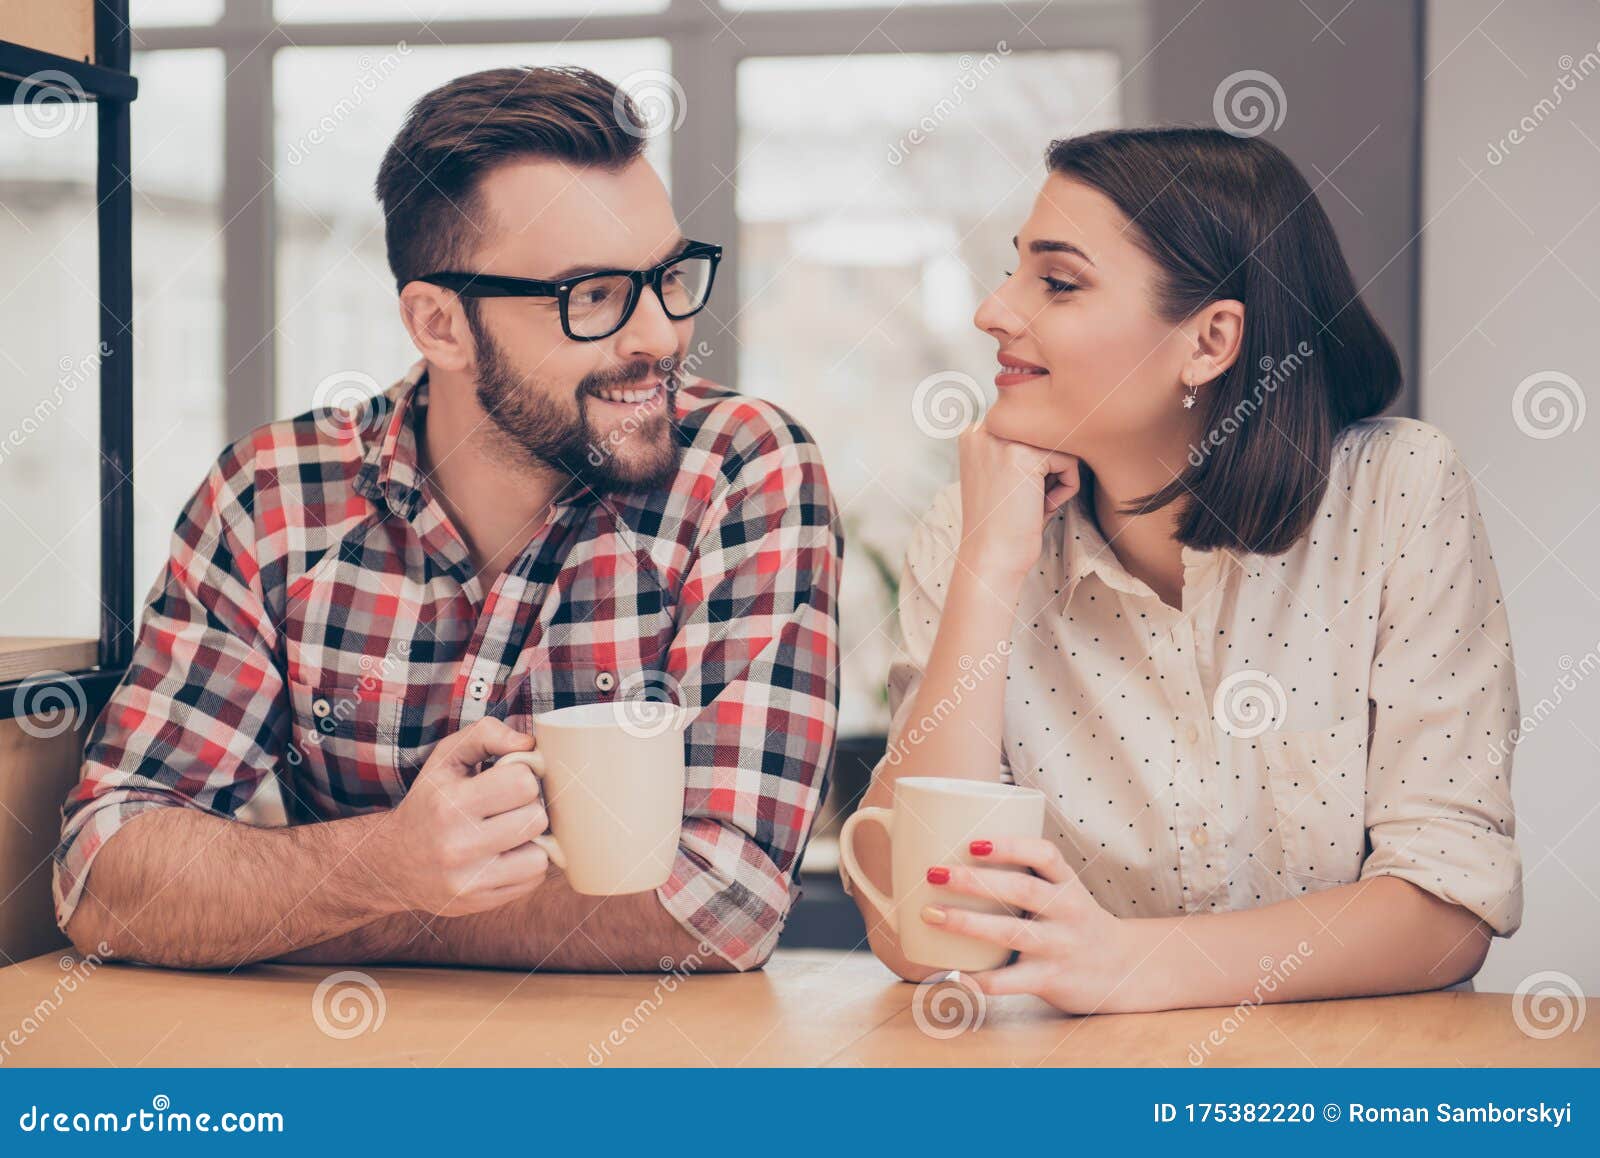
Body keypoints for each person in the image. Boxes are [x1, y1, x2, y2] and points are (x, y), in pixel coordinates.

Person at [57, 66, 840, 974]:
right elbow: (106, 878)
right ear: (440, 325)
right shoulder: (273, 498)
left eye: (670, 276)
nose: (662, 335)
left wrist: (332, 890)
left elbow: (721, 906)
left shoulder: (743, 471)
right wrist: (387, 864)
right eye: (592, 296)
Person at [848, 127, 1520, 1012]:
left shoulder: (1398, 493)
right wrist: (986, 570)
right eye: (1016, 271)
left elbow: (1447, 907)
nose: (993, 312)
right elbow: (924, 932)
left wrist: (1131, 965)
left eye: (1057, 282)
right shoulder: (978, 527)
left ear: (1208, 343)